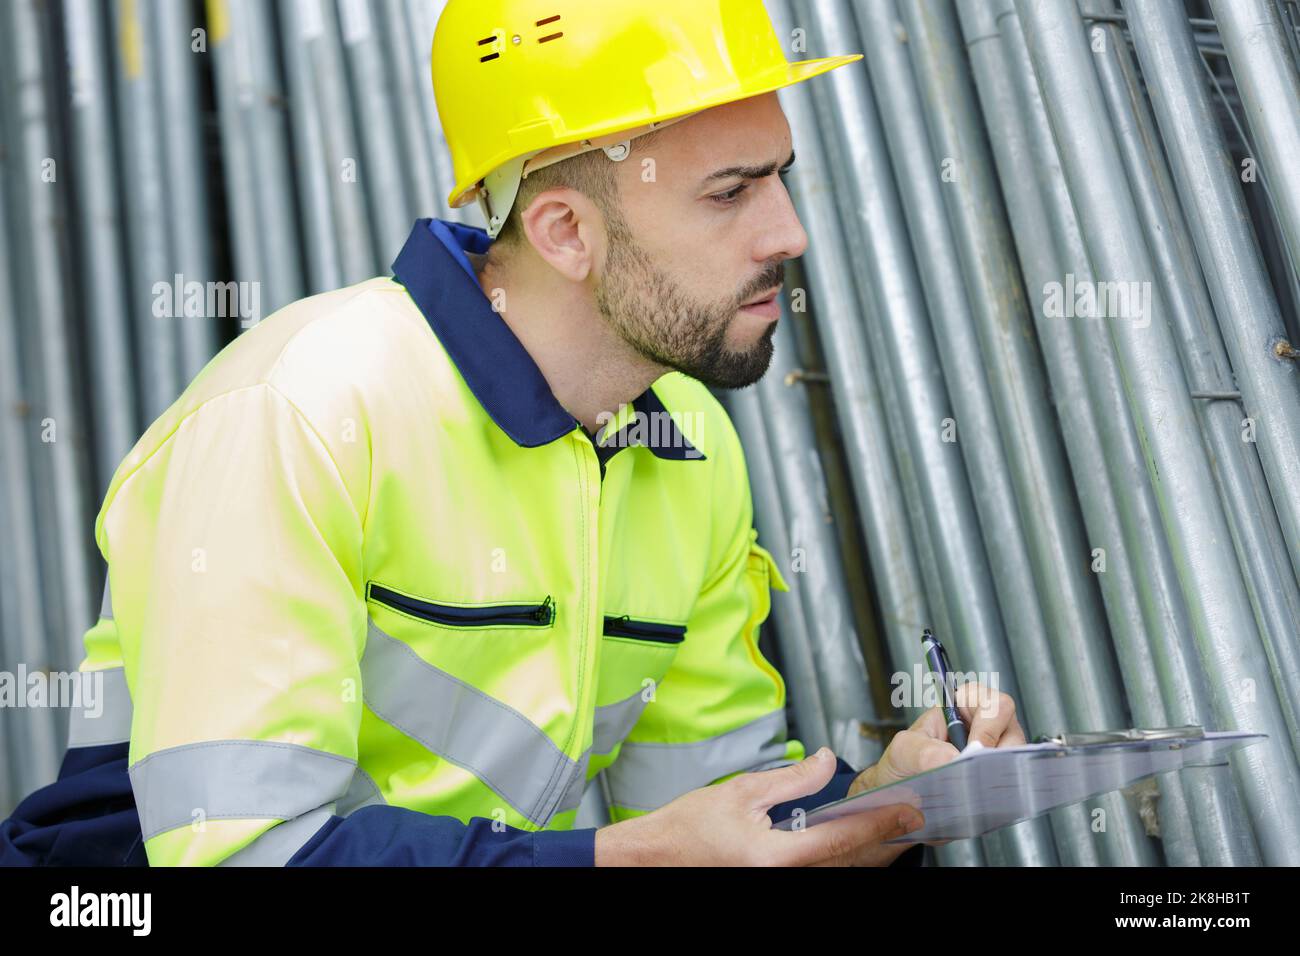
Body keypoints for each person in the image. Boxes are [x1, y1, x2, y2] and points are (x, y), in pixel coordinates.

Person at [1, 0, 1024, 867]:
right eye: (732, 192)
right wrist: (625, 858)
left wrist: (880, 804)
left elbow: (705, 807)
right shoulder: (300, 411)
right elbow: (248, 851)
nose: (789, 233)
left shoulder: (687, 442)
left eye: (777, 175)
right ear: (565, 232)